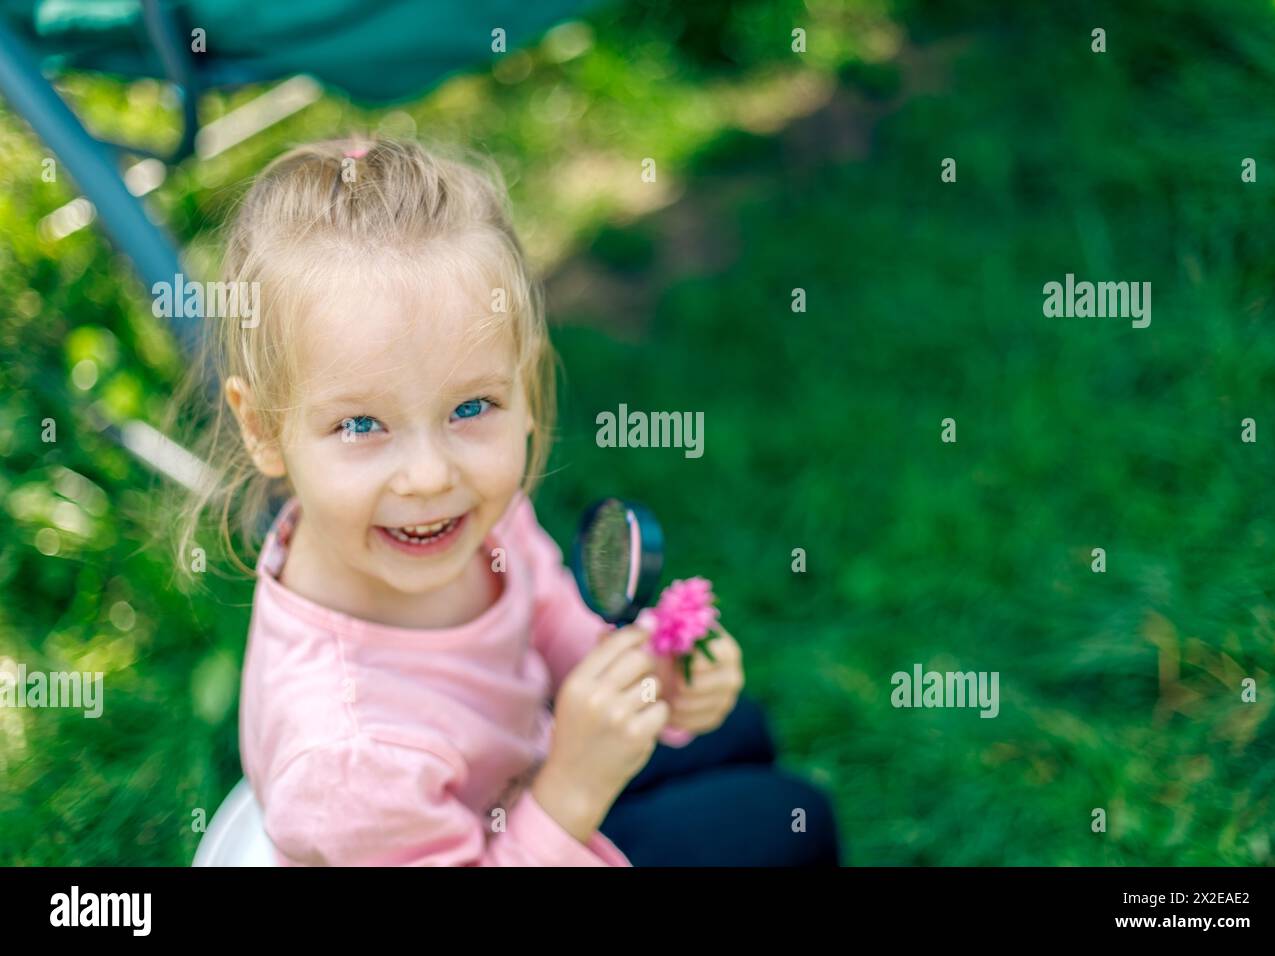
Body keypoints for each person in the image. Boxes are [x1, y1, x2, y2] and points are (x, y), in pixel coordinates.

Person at [172, 138, 840, 866]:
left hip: (519, 790)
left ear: (524, 387)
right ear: (263, 428)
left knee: (735, 731)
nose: (428, 475)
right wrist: (573, 787)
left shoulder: (462, 518)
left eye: (471, 407)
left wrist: (640, 672)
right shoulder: (346, 755)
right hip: (505, 834)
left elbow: (547, 610)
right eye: (360, 425)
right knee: (795, 822)